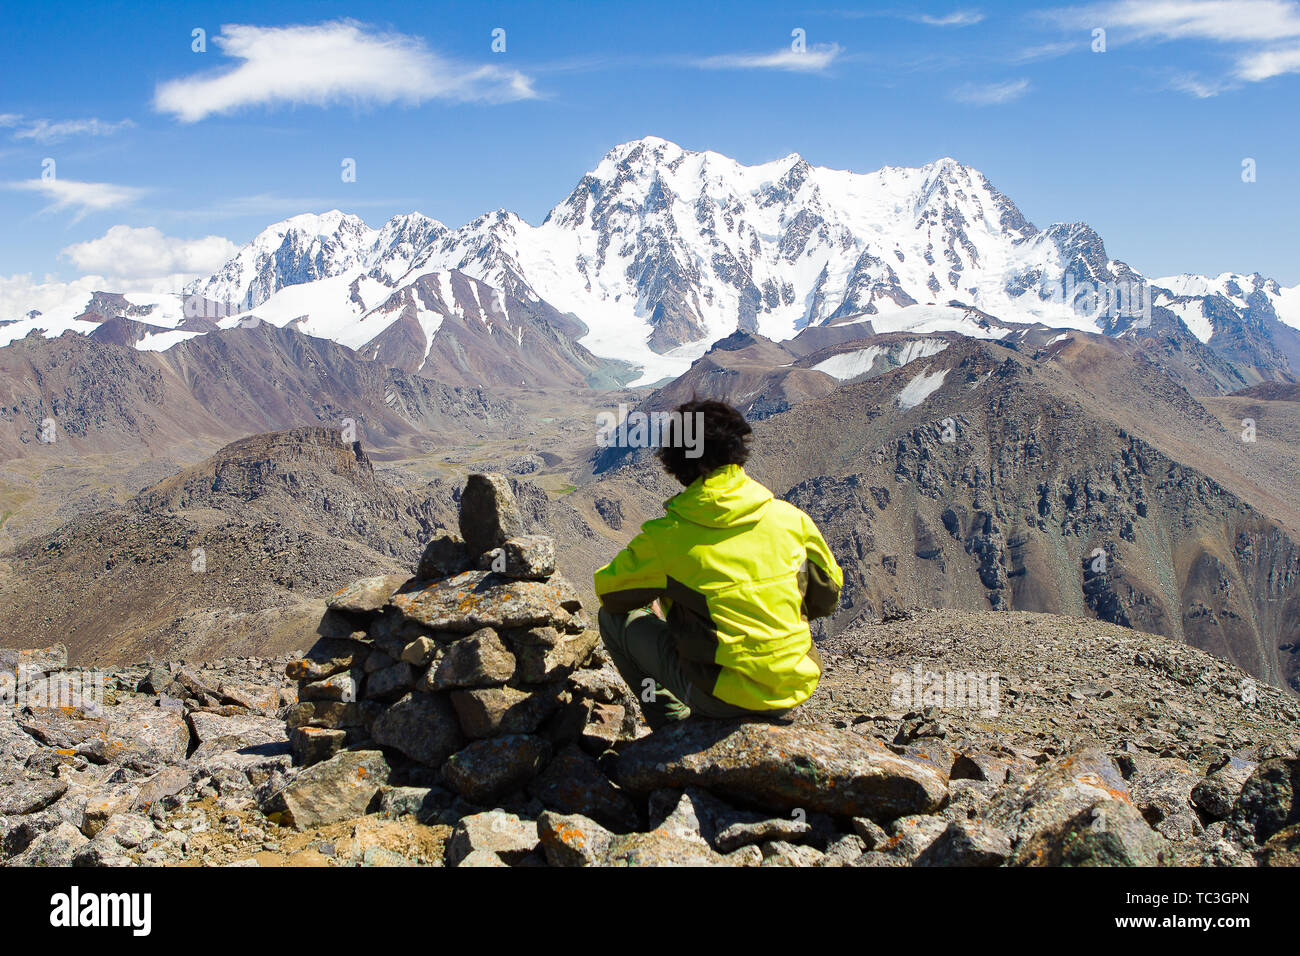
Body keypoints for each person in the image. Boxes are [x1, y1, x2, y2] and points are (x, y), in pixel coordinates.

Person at [593, 398, 843, 729]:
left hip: (719, 697)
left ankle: (670, 725)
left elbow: (610, 593)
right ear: (737, 450)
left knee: (612, 619)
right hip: (796, 686)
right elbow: (828, 597)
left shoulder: (666, 536)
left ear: (677, 460)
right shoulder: (791, 518)